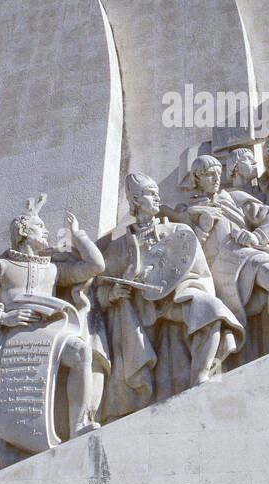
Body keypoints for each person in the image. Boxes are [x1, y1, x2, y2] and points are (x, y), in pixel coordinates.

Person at [0, 204, 105, 484]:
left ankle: (79, 424)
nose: (46, 232)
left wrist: (78, 235)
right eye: (39, 227)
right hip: (4, 339)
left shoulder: (53, 270)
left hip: (45, 336)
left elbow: (95, 266)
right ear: (22, 232)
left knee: (80, 352)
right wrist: (4, 317)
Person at [99, 172, 242, 422]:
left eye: (157, 192)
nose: (158, 198)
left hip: (175, 299)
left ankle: (201, 374)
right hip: (140, 313)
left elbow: (197, 268)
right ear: (135, 200)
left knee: (211, 309)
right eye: (150, 194)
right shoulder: (119, 246)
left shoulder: (176, 230)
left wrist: (186, 288)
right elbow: (99, 288)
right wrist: (112, 294)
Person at [179, 155, 269, 362]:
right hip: (217, 269)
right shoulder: (185, 212)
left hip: (244, 254)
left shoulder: (232, 197)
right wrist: (202, 228)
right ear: (197, 178)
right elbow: (187, 254)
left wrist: (256, 236)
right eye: (210, 175)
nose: (216, 179)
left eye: (218, 174)